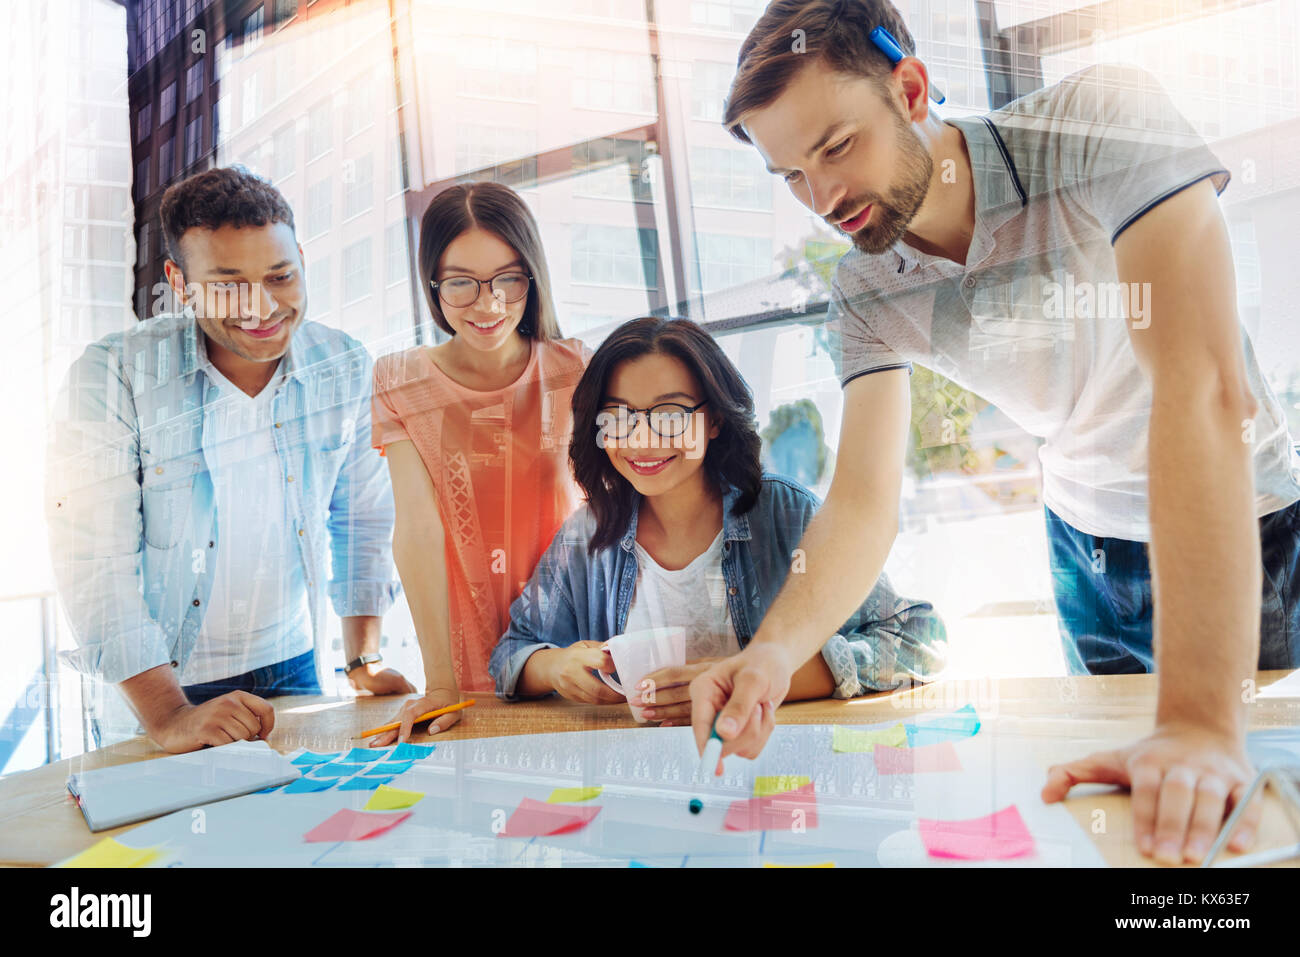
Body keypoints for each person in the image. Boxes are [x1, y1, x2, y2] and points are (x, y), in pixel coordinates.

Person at [688, 0, 1300, 865]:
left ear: (909, 88)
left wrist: (1201, 718)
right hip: (1084, 553)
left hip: (1245, 529)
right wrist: (774, 653)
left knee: (1255, 822)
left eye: (835, 147)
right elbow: (863, 503)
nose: (822, 199)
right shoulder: (866, 293)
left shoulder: (1099, 119)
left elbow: (1200, 389)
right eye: (790, 175)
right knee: (1139, 834)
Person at [46, 167, 412, 754]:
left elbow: (361, 519)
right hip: (160, 686)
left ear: (301, 260)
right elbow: (94, 561)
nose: (261, 306)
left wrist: (363, 658)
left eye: (280, 275)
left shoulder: (341, 363)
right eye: (227, 282)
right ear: (179, 281)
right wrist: (169, 716)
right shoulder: (113, 374)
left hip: (293, 667)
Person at [489, 316, 947, 710]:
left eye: (668, 415)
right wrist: (553, 667)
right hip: (642, 783)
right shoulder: (587, 539)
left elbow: (919, 640)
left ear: (715, 420)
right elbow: (512, 652)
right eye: (619, 417)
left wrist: (755, 677)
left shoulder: (784, 515)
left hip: (770, 775)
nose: (642, 440)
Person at [367, 183, 592, 746]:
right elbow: (417, 530)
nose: (488, 305)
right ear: (433, 284)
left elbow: (612, 511)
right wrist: (440, 683)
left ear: (531, 277)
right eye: (462, 284)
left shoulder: (576, 369)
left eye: (508, 280)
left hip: (570, 647)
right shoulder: (400, 381)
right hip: (466, 659)